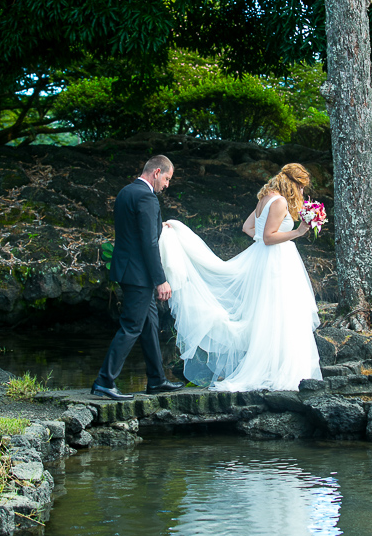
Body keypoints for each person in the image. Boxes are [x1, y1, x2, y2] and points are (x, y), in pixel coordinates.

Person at [159, 163, 322, 391]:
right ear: (292, 183)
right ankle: (277, 371)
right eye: (302, 187)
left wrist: (263, 242)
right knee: (281, 314)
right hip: (276, 263)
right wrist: (297, 232)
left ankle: (272, 367)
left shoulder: (265, 198)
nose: (303, 192)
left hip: (268, 260)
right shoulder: (280, 201)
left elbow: (248, 228)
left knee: (271, 315)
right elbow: (267, 237)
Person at [91, 155, 184, 400]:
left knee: (149, 325)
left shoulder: (126, 192)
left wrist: (158, 225)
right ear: (156, 172)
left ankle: (156, 380)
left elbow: (136, 230)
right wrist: (160, 279)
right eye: (166, 178)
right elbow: (148, 243)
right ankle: (104, 380)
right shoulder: (147, 197)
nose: (166, 185)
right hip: (139, 274)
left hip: (127, 269)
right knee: (131, 326)